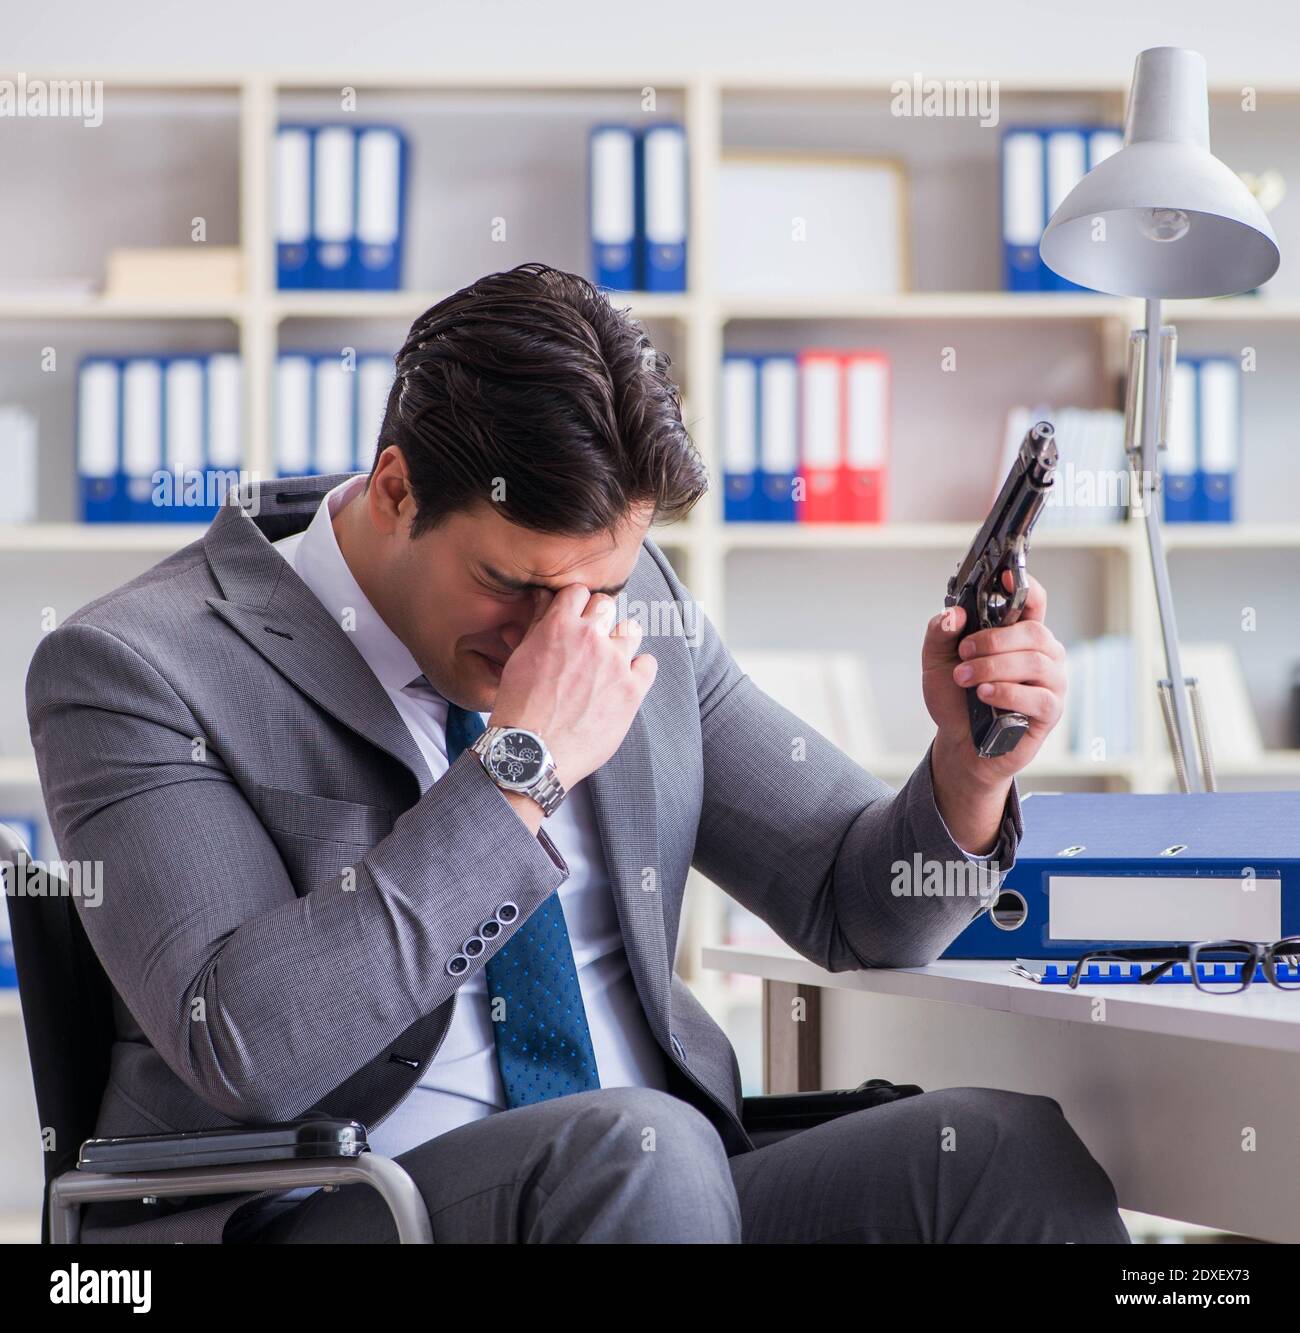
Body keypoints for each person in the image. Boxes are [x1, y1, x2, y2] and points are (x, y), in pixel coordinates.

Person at [27, 262, 1126, 1243]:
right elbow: (248, 1048)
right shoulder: (136, 667)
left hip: (659, 1191)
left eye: (595, 587)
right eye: (511, 584)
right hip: (340, 1205)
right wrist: (522, 767)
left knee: (1008, 1156)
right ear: (397, 489)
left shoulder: (636, 608)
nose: (556, 634)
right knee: (639, 1152)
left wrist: (968, 768)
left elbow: (856, 903)